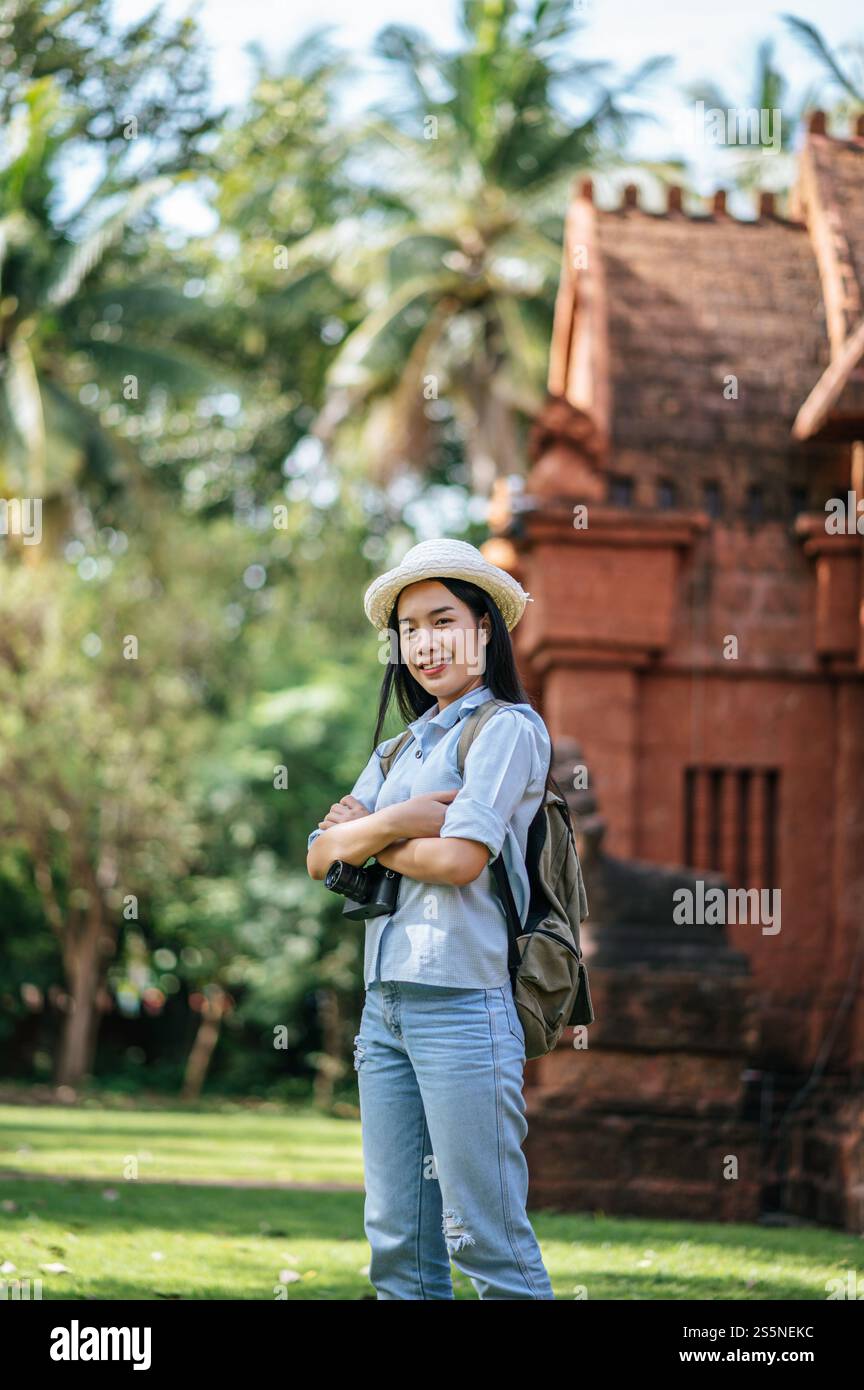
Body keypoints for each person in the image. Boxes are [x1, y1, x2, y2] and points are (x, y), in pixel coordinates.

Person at [306, 538, 555, 1299]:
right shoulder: (397, 751)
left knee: (485, 1240)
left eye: (441, 619)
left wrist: (372, 832)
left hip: (463, 1003)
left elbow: (459, 863)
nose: (423, 642)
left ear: (484, 629)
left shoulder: (507, 729)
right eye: (408, 627)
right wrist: (409, 818)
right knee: (398, 1248)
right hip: (384, 1010)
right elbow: (319, 856)